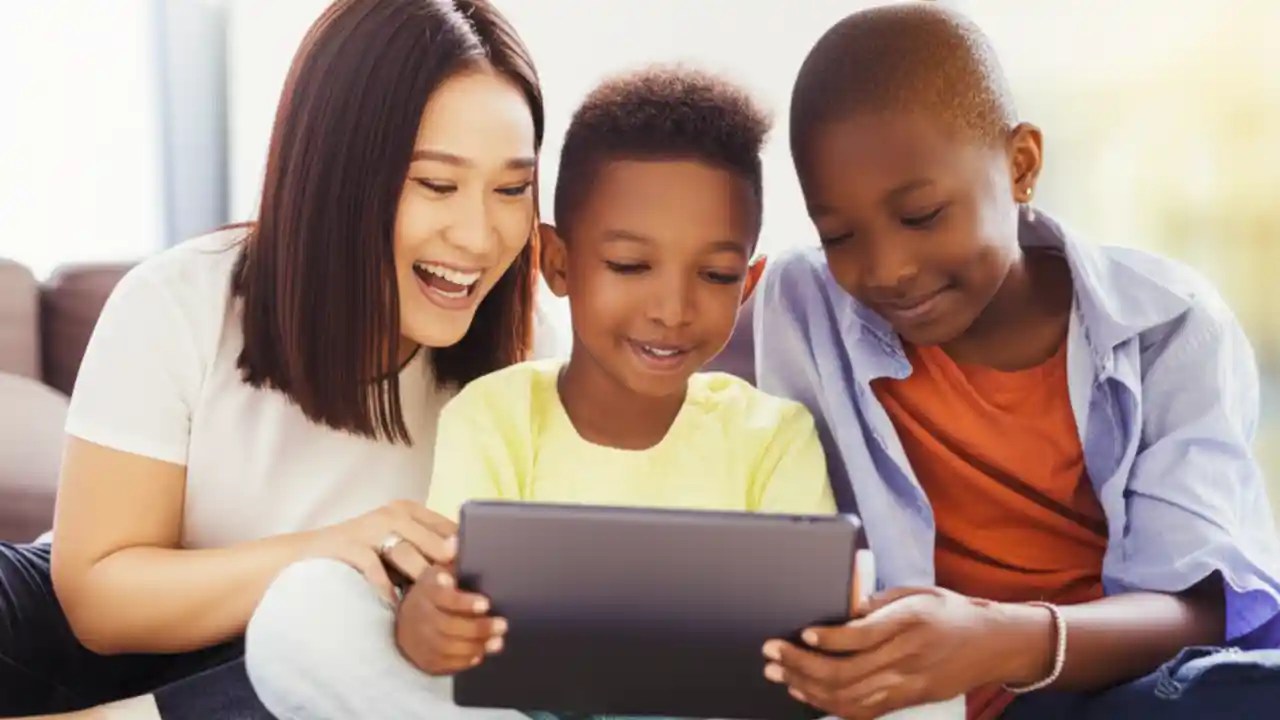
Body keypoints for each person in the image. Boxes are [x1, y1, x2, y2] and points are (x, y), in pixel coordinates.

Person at [0, 1, 549, 717]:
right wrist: (327, 547)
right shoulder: (181, 298)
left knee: (336, 655)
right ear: (336, 177)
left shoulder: (536, 358)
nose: (479, 237)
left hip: (296, 669)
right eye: (436, 185)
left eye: (511, 189)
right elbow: (99, 602)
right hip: (97, 631)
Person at [243, 65, 839, 720]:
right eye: (629, 266)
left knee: (919, 686)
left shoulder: (773, 435)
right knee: (306, 607)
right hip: (525, 710)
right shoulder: (496, 414)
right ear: (555, 262)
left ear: (748, 282)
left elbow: (803, 649)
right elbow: (451, 600)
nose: (673, 308)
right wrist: (429, 625)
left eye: (716, 274)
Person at [739, 4, 1280, 719]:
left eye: (923, 215)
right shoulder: (799, 305)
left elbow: (1203, 609)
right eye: (838, 235)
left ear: (1020, 165)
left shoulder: (1167, 325)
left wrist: (1000, 640)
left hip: (1124, 688)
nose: (889, 268)